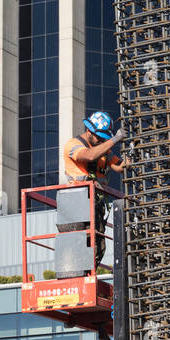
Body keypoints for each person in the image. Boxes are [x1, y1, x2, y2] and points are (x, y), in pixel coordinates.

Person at [61, 111, 129, 265]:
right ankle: (79, 276)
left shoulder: (104, 149)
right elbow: (89, 155)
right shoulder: (72, 145)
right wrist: (115, 139)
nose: (100, 141)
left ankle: (89, 275)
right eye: (99, 138)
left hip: (94, 205)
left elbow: (120, 166)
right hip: (76, 204)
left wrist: (134, 152)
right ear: (89, 131)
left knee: (98, 248)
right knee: (78, 246)